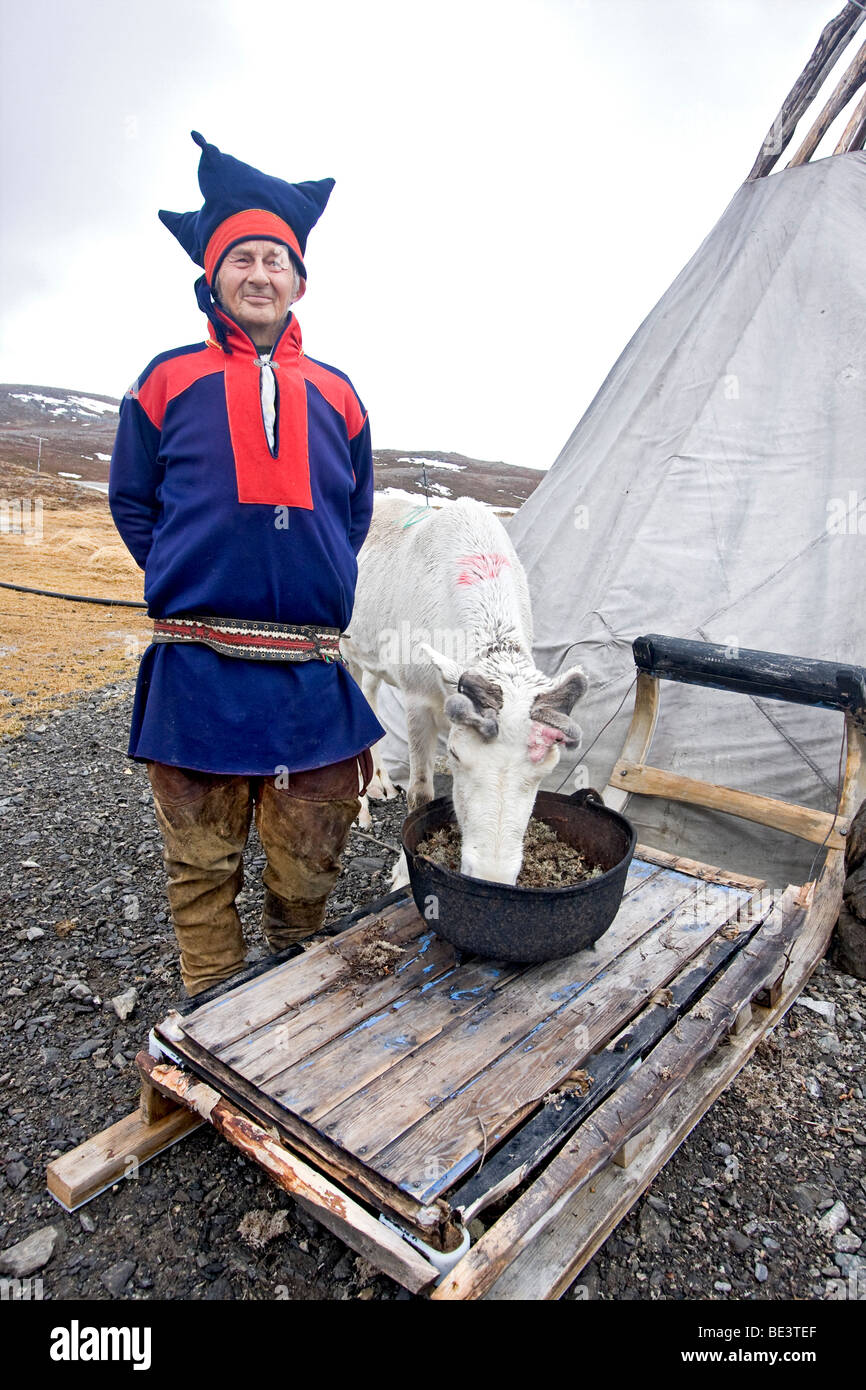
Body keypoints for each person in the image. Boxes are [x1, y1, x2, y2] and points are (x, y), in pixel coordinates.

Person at [109, 131, 385, 997]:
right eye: (242, 259)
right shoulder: (165, 381)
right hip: (197, 661)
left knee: (313, 851)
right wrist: (188, 572)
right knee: (200, 859)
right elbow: (132, 500)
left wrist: (317, 569)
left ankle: (294, 984)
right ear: (213, 276)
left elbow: (355, 512)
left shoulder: (340, 395)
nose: (259, 274)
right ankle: (212, 1004)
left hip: (308, 665)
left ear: (299, 280)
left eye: (276, 259)